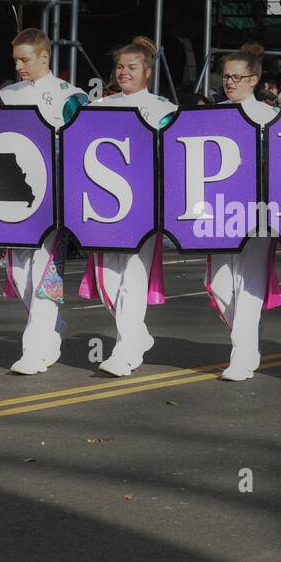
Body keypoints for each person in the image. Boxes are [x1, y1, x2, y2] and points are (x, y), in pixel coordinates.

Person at [78, 36, 174, 377]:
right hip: (103, 208)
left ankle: (126, 352)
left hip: (143, 209)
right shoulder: (98, 106)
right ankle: (139, 335)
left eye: (132, 67)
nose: (124, 73)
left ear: (147, 71)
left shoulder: (164, 110)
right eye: (120, 67)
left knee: (132, 278)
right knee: (106, 281)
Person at [0, 29, 89, 375]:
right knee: (19, 272)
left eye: (25, 59)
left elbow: (82, 148)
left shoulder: (71, 96)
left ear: (44, 58)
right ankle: (53, 326)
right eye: (16, 60)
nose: (19, 66)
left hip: (53, 197)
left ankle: (36, 350)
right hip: (10, 196)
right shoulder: (7, 94)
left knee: (45, 270)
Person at [206, 44, 281, 381]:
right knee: (218, 285)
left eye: (237, 77)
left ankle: (241, 355)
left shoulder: (271, 116)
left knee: (249, 285)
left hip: (259, 212)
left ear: (254, 79)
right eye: (225, 77)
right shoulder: (210, 114)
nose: (230, 83)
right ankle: (248, 344)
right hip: (217, 211)